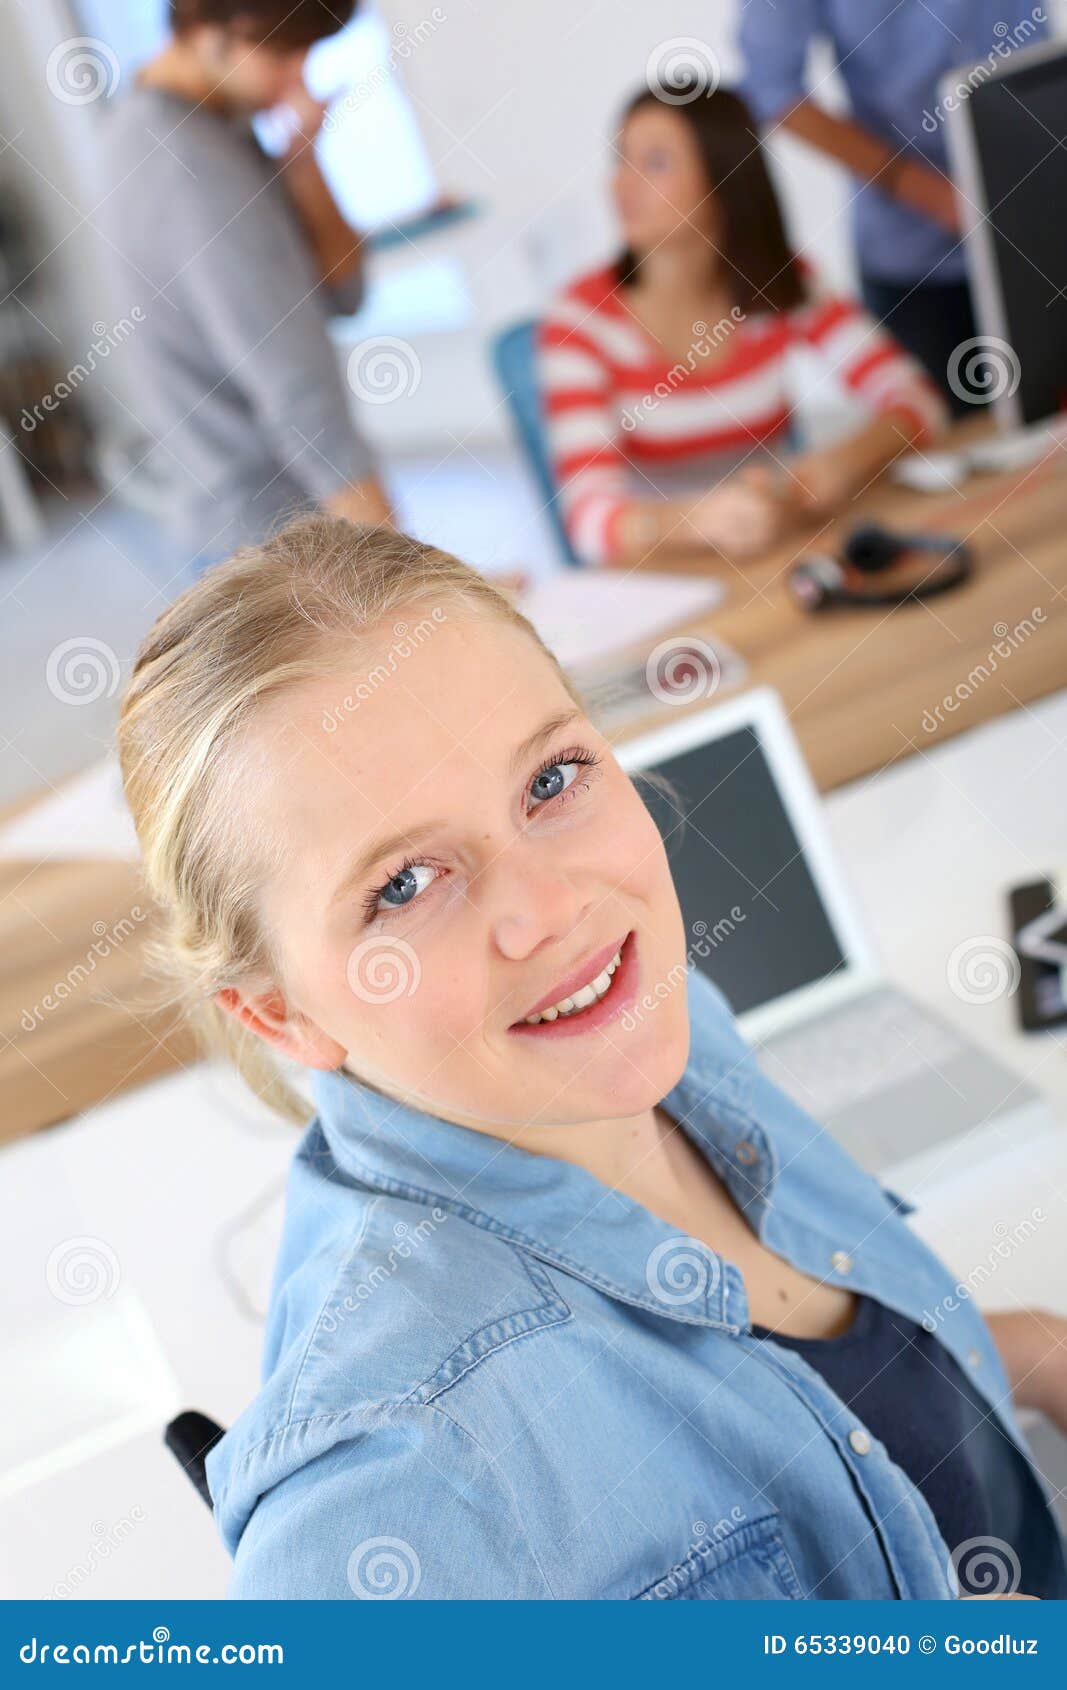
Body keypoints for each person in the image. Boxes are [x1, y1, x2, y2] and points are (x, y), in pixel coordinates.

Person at [117, 512, 1067, 1599]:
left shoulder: (654, 1023)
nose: (554, 908)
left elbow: (838, 1381)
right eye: (404, 885)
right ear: (282, 1016)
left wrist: (1034, 1350)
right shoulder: (396, 1468)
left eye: (550, 779)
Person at [537, 85, 945, 570]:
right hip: (668, 579)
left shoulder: (783, 282)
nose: (623, 184)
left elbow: (919, 401)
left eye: (656, 163)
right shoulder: (577, 319)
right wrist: (692, 522)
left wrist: (849, 459)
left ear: (724, 179)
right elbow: (587, 522)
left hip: (782, 557)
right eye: (622, 159)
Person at [100, 0, 389, 567]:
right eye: (282, 54)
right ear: (207, 30)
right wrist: (420, 585)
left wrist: (303, 160)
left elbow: (345, 294)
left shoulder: (210, 122)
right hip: (268, 545)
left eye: (308, 54)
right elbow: (298, 391)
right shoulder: (188, 163)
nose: (299, 78)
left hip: (268, 527)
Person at [738, 0, 1050, 413]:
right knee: (953, 433)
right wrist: (924, 190)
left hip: (1044, 220)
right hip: (918, 263)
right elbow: (771, 89)